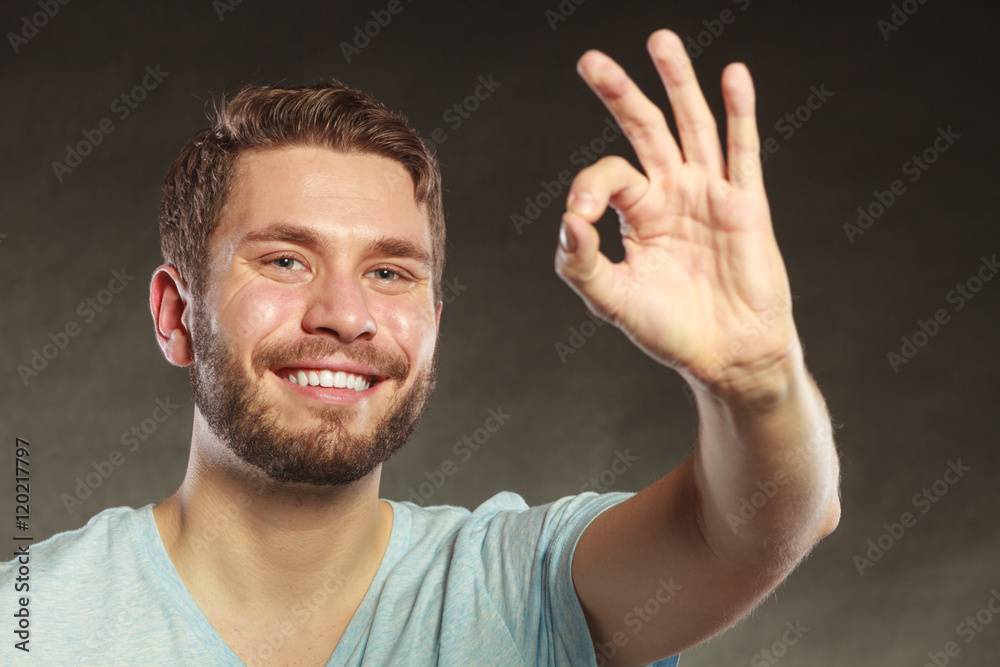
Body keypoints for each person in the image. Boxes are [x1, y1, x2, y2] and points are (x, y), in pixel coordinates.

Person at [1, 29, 840, 666]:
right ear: (176, 314)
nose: (346, 314)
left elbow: (756, 525)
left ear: (434, 319)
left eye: (391, 272)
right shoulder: (29, 625)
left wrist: (759, 381)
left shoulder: (525, 590)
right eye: (285, 259)